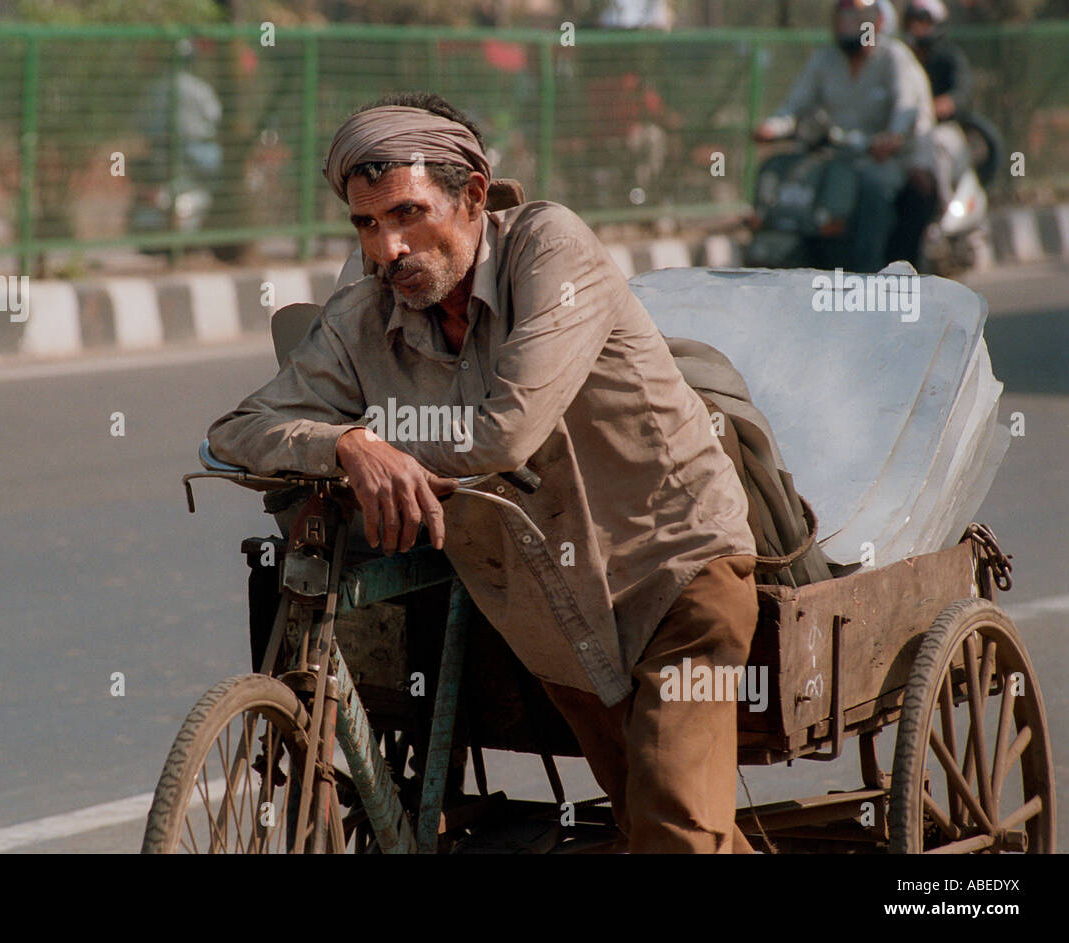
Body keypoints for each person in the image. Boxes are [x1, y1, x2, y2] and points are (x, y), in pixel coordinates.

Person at [208, 91, 760, 853]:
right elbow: (239, 428)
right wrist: (349, 448)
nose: (385, 249)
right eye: (366, 223)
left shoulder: (551, 249)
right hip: (551, 611)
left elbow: (507, 433)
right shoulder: (363, 314)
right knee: (649, 825)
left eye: (406, 213)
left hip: (673, 573)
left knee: (675, 833)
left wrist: (386, 443)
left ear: (471, 196)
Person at [754, 0, 934, 272]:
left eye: (857, 18)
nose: (848, 26)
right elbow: (795, 105)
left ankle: (869, 273)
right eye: (843, 18)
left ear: (877, 22)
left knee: (873, 188)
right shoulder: (823, 59)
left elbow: (906, 106)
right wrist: (772, 127)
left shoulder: (894, 57)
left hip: (881, 159)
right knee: (792, 175)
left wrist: (893, 137)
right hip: (835, 156)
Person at [887, 0, 975, 266]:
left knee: (936, 150)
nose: (917, 27)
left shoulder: (948, 57)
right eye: (912, 21)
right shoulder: (898, 56)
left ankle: (940, 215)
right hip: (903, 133)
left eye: (923, 22)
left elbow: (962, 93)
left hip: (940, 130)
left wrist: (944, 105)